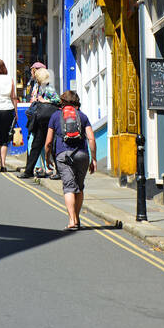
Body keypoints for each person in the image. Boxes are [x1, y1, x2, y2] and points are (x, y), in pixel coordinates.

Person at [45, 90, 97, 229]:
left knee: (68, 187)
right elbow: (91, 139)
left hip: (63, 155)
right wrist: (94, 159)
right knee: (79, 187)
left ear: (62, 102)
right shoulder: (83, 116)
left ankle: (72, 220)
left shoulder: (55, 116)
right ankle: (77, 218)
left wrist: (47, 157)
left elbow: (48, 142)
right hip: (82, 154)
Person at [22, 63, 60, 180]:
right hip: (40, 121)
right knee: (35, 146)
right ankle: (29, 171)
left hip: (49, 121)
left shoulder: (48, 88)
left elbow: (57, 101)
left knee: (52, 146)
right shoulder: (40, 87)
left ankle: (57, 171)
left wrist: (44, 101)